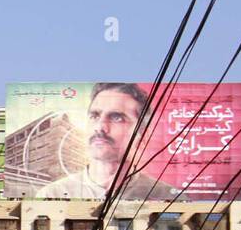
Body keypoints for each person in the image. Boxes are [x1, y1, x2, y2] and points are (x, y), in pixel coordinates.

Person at [37, 83, 177, 202]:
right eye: (95, 116)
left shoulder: (167, 196)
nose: (100, 127)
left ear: (142, 133)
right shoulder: (51, 195)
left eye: (117, 118)